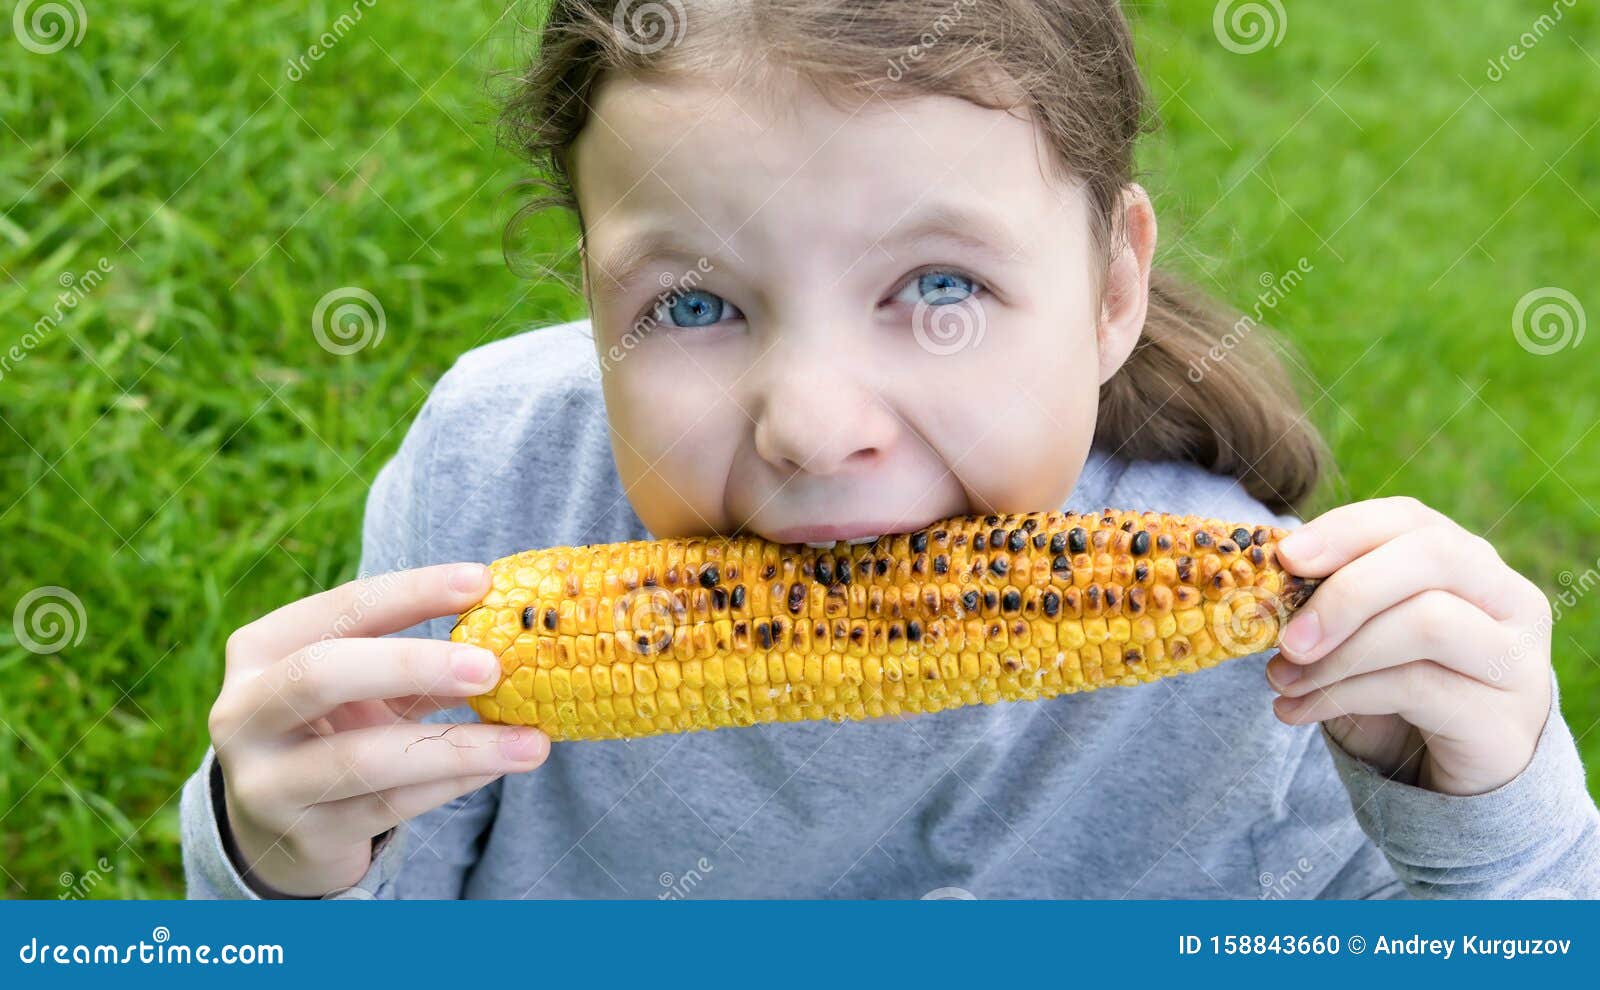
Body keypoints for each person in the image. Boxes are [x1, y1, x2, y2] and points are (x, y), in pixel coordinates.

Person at [182, 0, 1598, 899]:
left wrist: (1496, 825)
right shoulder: (493, 478)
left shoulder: (1272, 678)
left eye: (938, 290)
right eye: (691, 304)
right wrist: (284, 858)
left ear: (1112, 290)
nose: (813, 422)